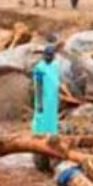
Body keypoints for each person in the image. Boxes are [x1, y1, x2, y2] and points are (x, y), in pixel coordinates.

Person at [32, 44, 61, 172]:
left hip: (52, 102)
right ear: (44, 55)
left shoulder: (55, 66)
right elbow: (38, 86)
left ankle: (50, 154)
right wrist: (39, 103)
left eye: (51, 56)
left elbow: (55, 83)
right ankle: (39, 157)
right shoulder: (39, 68)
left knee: (52, 128)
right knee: (40, 129)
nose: (49, 58)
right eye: (47, 56)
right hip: (43, 101)